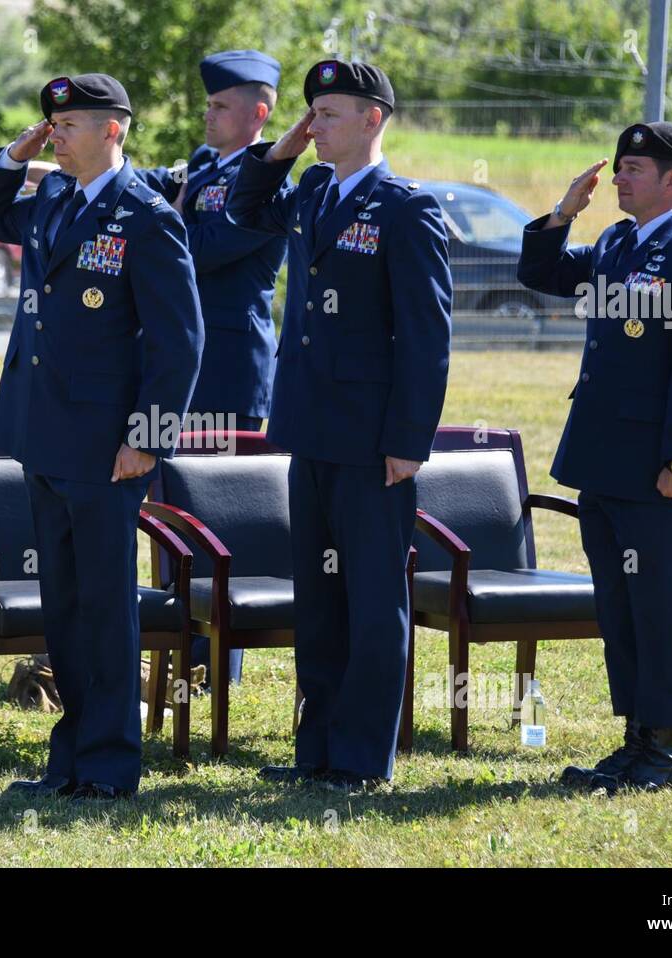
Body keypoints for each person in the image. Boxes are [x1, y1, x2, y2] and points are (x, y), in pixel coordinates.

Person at [0, 73, 204, 801]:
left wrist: (148, 440)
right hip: (44, 432)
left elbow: (181, 344)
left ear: (114, 129)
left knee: (105, 608)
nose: (55, 134)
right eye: (50, 123)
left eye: (69, 123)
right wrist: (20, 148)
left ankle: (109, 763)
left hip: (108, 447)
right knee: (64, 607)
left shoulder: (147, 216)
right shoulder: (50, 198)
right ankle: (69, 758)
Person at [226, 59, 452, 793]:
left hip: (370, 438)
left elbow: (426, 337)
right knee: (318, 599)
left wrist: (407, 443)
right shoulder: (316, 189)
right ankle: (315, 747)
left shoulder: (406, 208)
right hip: (311, 426)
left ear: (372, 119)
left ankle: (359, 757)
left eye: (329, 114)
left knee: (371, 599)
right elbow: (241, 205)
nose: (316, 124)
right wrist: (284, 148)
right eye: (312, 113)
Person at [516, 121, 672, 792]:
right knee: (620, 608)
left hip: (657, 473)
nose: (617, 178)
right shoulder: (615, 242)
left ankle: (664, 753)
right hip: (604, 464)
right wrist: (563, 213)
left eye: (633, 169)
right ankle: (635, 743)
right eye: (617, 168)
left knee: (658, 610)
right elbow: (544, 271)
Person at [136, 48, 291, 689]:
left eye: (221, 105)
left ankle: (212, 660)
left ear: (258, 114)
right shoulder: (200, 167)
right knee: (168, 503)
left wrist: (149, 227)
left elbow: (203, 249)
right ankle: (172, 636)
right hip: (177, 363)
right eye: (207, 103)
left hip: (228, 365)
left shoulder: (270, 185)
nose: (208, 114)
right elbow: (147, 183)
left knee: (218, 513)